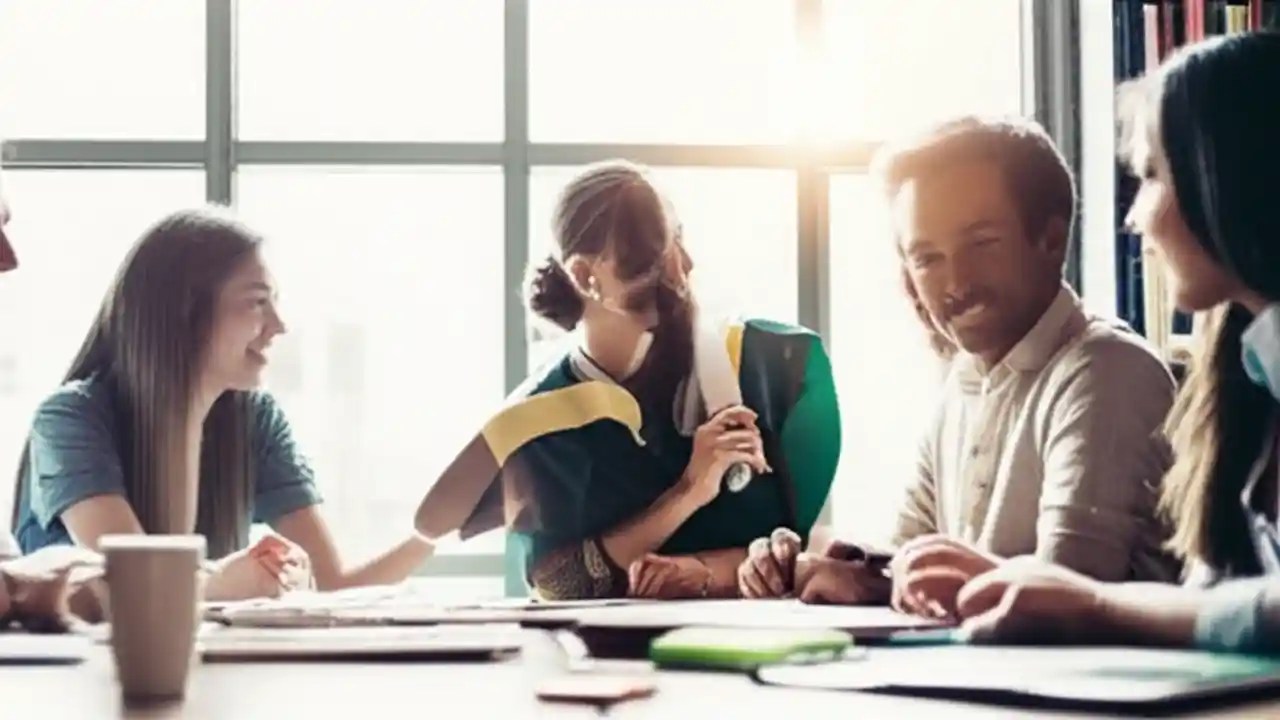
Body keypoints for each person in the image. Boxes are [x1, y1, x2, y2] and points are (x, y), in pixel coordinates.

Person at [739, 116, 1179, 611]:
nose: (955, 282)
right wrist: (819, 567)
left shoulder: (1107, 371)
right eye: (927, 258)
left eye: (981, 243)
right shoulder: (964, 380)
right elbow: (909, 554)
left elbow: (1067, 589)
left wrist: (877, 586)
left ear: (1052, 240)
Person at [952, 32, 1280, 654]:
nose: (1136, 219)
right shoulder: (1248, 376)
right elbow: (1216, 602)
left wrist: (1097, 606)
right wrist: (1018, 584)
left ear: (1228, 177)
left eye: (1152, 176)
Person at [416, 161, 841, 600]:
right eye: (649, 259)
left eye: (680, 240)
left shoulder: (778, 368)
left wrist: (701, 571)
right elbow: (556, 584)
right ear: (584, 276)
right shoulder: (544, 421)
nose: (683, 270)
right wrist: (687, 493)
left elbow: (793, 554)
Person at [10, 206, 435, 601]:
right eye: (257, 302)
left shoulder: (254, 420)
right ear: (184, 314)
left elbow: (332, 585)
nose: (279, 325)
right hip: (82, 675)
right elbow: (138, 585)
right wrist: (221, 582)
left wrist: (438, 527)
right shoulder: (71, 420)